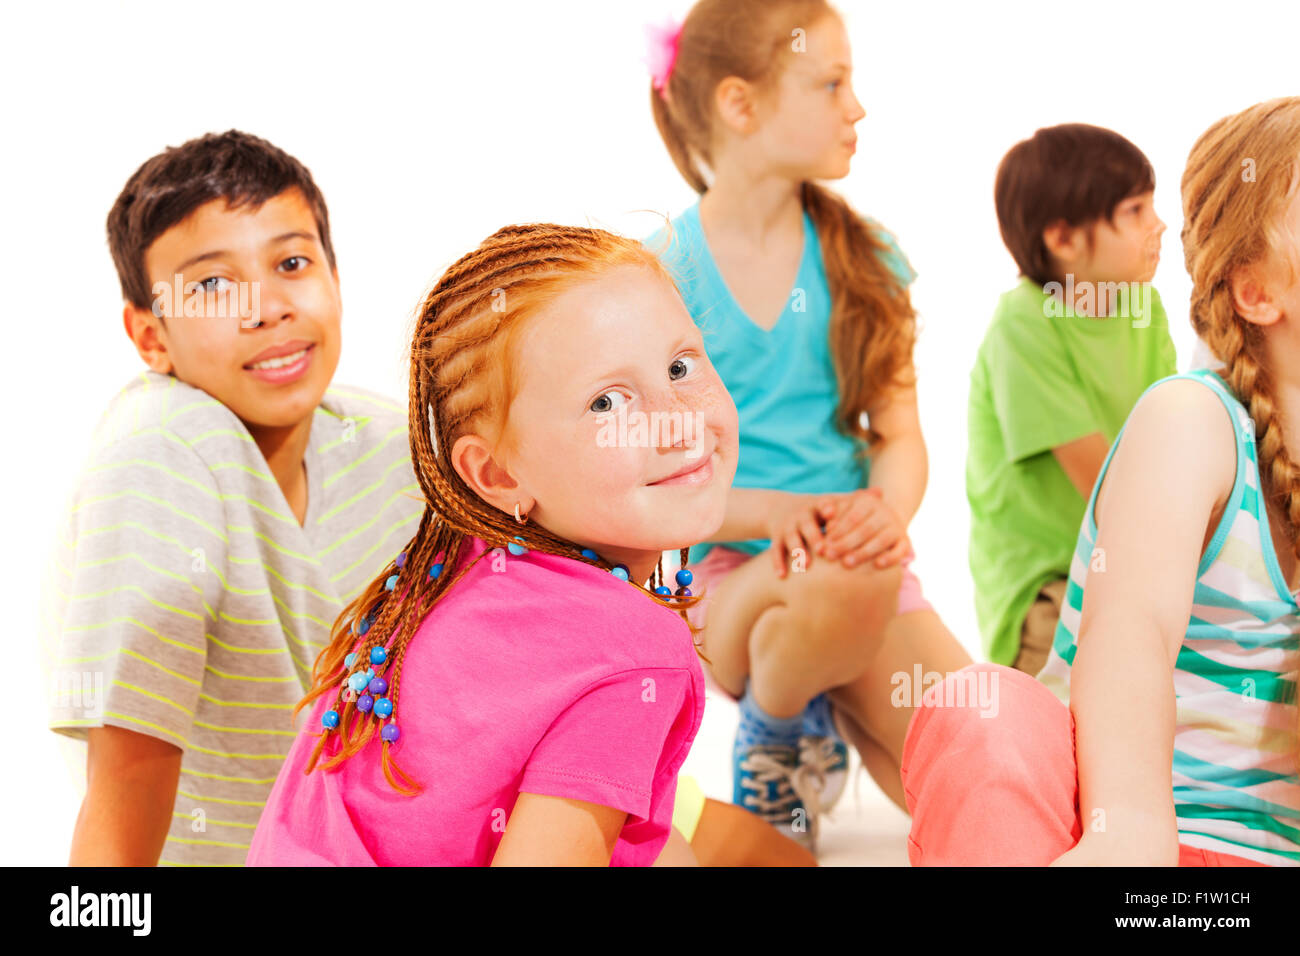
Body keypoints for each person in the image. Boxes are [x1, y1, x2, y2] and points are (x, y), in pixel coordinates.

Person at [247, 222, 744, 865]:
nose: (676, 421)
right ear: (497, 475)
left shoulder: (461, 564)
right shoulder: (629, 649)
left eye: (680, 365)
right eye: (606, 403)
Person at [902, 97, 1300, 867]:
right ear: (1257, 292)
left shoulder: (1145, 324)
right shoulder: (1193, 419)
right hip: (1143, 838)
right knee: (985, 708)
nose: (1153, 230)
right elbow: (1133, 635)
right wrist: (1128, 831)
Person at [43, 130, 423, 865]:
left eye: (291, 263)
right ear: (151, 338)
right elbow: (122, 808)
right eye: (214, 286)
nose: (268, 307)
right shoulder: (160, 455)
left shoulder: (389, 446)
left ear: (336, 280)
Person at [645, 0, 969, 849]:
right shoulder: (659, 273)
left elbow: (900, 436)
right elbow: (649, 476)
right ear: (740, 105)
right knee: (836, 582)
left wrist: (880, 516)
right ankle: (781, 723)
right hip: (729, 588)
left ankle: (809, 715)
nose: (856, 107)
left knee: (983, 757)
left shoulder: (866, 259)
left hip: (856, 564)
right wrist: (776, 517)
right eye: (830, 84)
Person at [968, 123, 1176, 675]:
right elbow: (1102, 482)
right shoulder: (1024, 321)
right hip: (1050, 586)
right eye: (1135, 211)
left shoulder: (1143, 308)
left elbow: (1168, 443)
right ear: (1063, 240)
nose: (1159, 225)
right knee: (1067, 735)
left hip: (1127, 564)